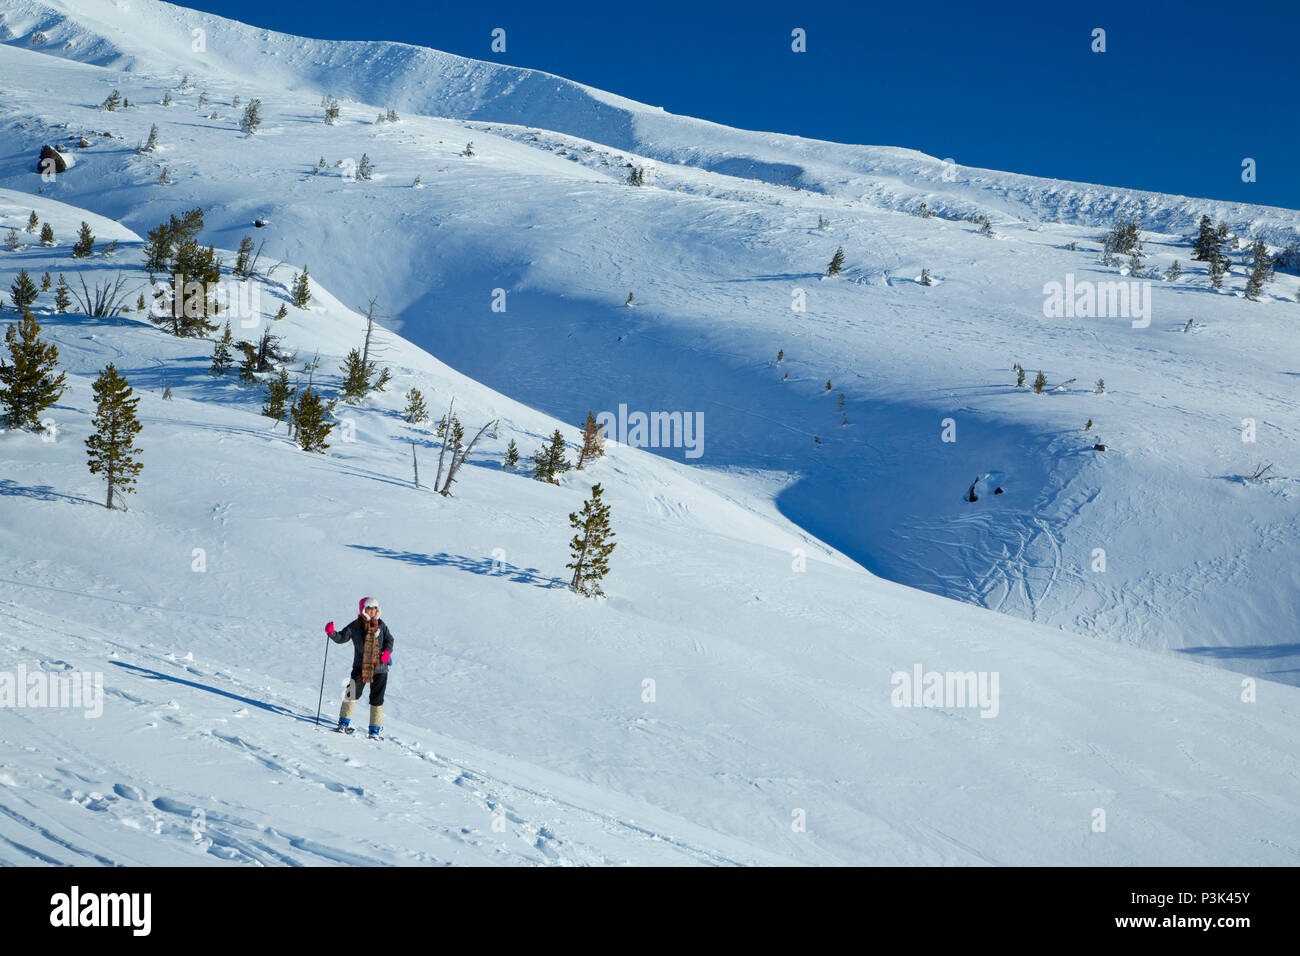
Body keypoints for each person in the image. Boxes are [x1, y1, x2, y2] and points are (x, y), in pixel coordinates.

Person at [324, 597, 394, 739]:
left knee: (377, 699)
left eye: (374, 608)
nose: (372, 611)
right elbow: (342, 638)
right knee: (351, 694)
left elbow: (389, 640)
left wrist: (387, 652)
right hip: (360, 667)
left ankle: (374, 731)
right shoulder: (355, 626)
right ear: (363, 610)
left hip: (380, 669)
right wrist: (332, 633)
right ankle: (343, 724)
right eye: (369, 608)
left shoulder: (381, 625)